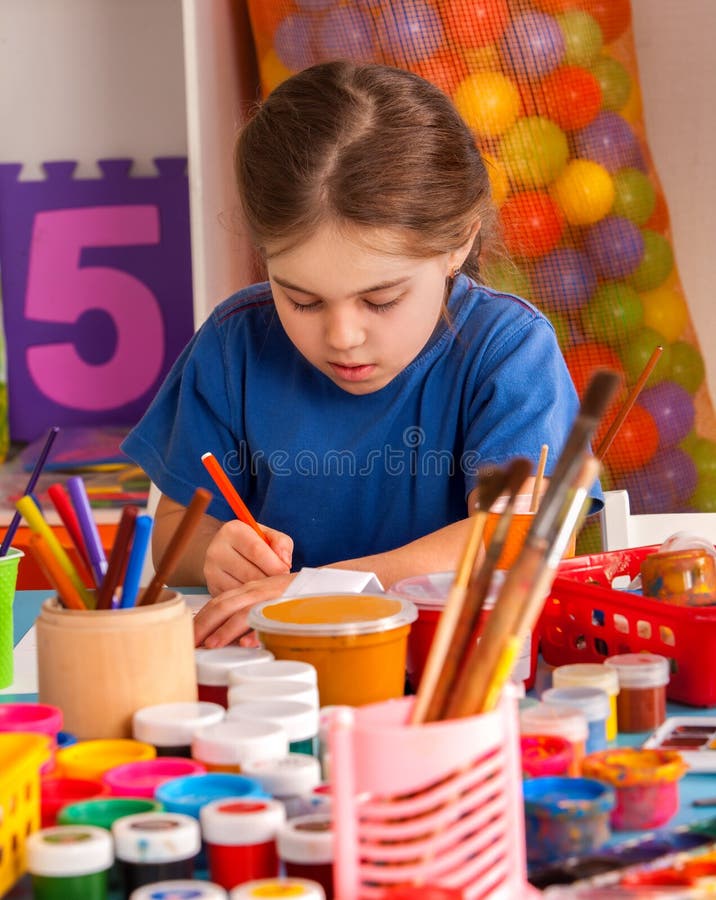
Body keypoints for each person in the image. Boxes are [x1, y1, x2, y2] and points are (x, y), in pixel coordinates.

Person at [122, 60, 602, 649]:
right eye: (301, 300)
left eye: (380, 300)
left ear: (459, 244)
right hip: (273, 676)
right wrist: (215, 553)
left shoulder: (506, 351)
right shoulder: (234, 345)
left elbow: (524, 539)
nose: (343, 335)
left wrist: (320, 589)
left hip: (448, 671)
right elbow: (175, 530)